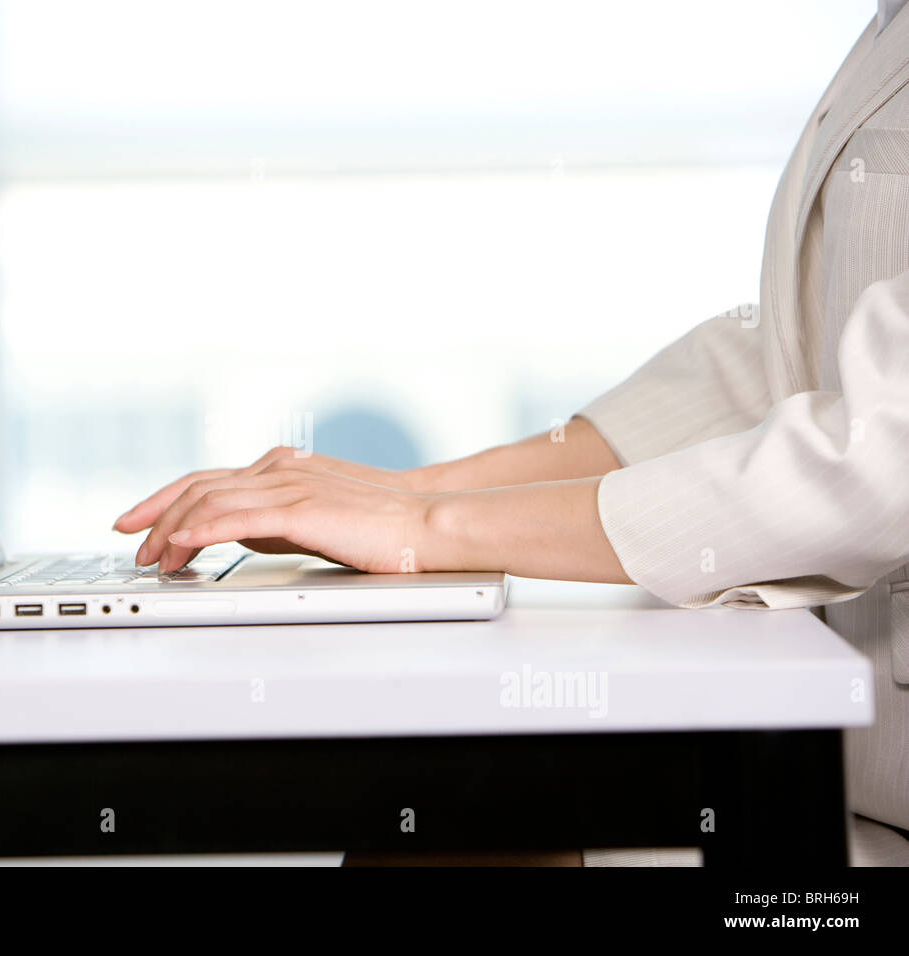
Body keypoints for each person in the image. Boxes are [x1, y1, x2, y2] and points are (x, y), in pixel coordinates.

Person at [114, 2, 909, 865]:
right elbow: (787, 354)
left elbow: (882, 445)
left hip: (863, 809)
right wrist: (416, 495)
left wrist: (422, 529)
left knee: (453, 818)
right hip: (853, 777)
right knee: (440, 817)